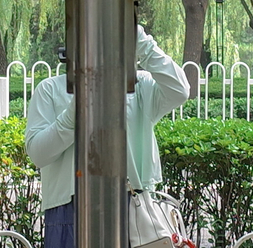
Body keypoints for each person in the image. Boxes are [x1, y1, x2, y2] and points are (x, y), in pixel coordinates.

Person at [24, 26, 190, 248]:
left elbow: (180, 90)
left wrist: (141, 40)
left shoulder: (139, 86)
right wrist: (74, 115)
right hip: (68, 211)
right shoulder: (50, 89)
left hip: (130, 209)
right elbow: (38, 153)